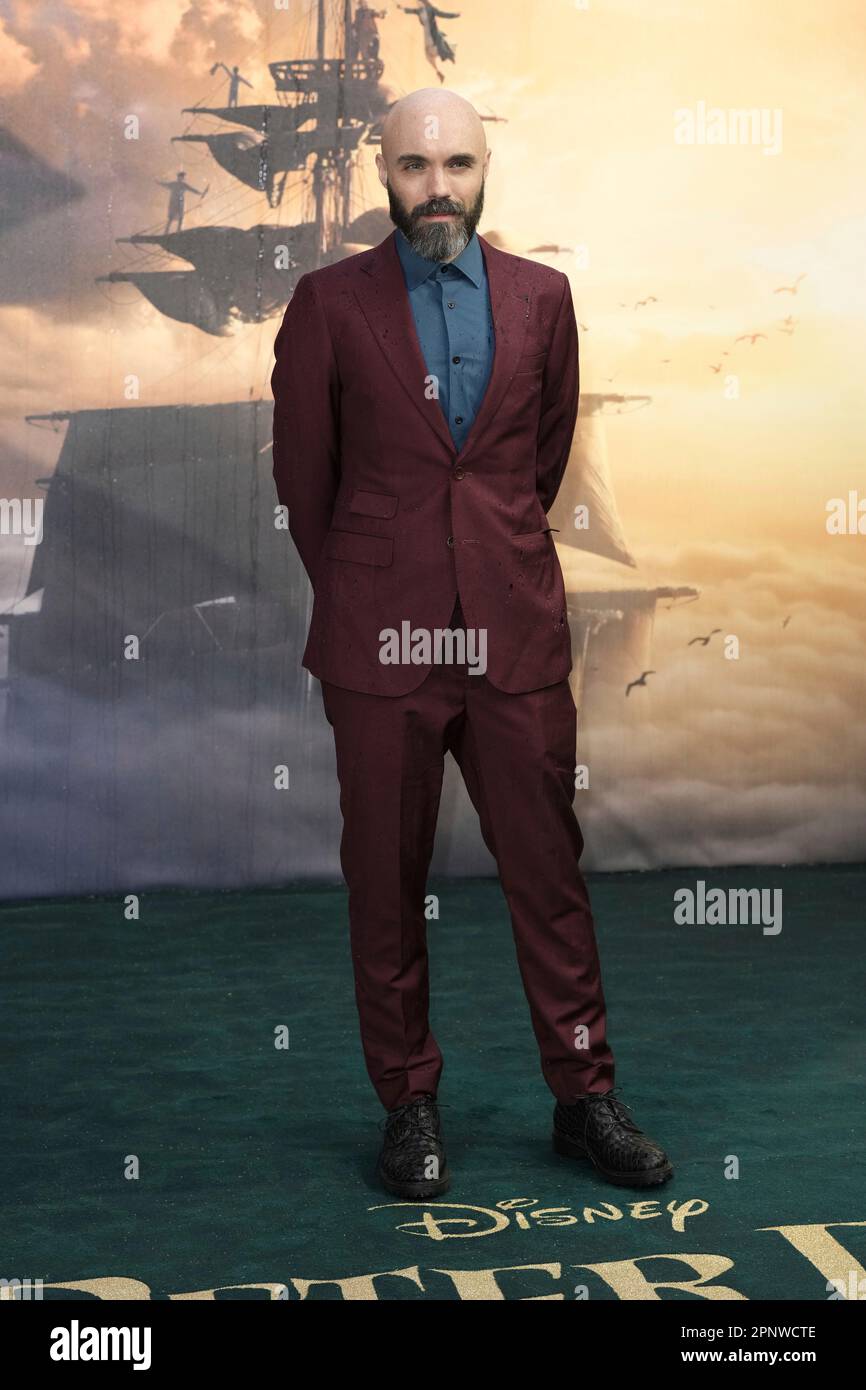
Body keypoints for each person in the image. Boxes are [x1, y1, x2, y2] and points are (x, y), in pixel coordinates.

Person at [270, 87, 673, 1199]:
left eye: (454, 163)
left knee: (549, 876)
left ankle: (583, 1097)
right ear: (383, 174)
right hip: (378, 647)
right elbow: (306, 485)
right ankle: (406, 1106)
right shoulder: (326, 305)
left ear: (483, 169)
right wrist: (375, 593)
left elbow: (532, 470)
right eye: (412, 166)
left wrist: (482, 566)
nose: (434, 186)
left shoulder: (543, 297)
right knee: (385, 885)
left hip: (514, 632)